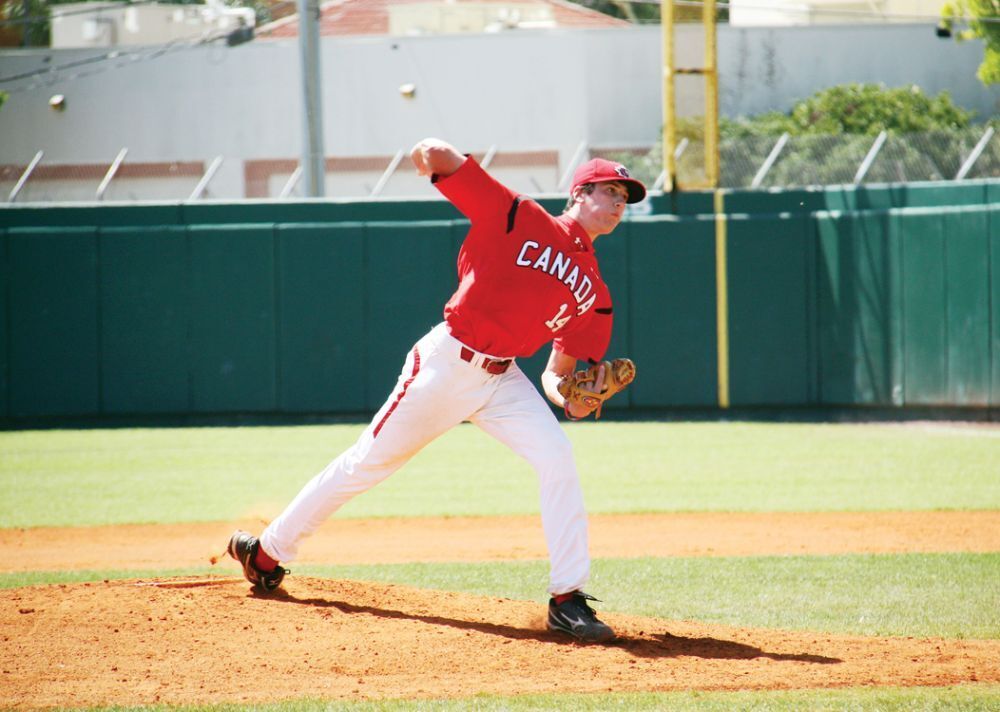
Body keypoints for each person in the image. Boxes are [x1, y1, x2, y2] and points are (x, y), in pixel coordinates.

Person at [227, 138, 646, 644]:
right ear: (579, 193)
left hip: (502, 380)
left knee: (557, 456)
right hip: (448, 363)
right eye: (610, 190)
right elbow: (441, 157)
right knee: (366, 463)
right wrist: (428, 152)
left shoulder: (596, 295)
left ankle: (567, 599)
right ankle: (266, 553)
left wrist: (573, 398)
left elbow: (557, 376)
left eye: (626, 197)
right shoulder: (523, 216)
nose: (619, 203)